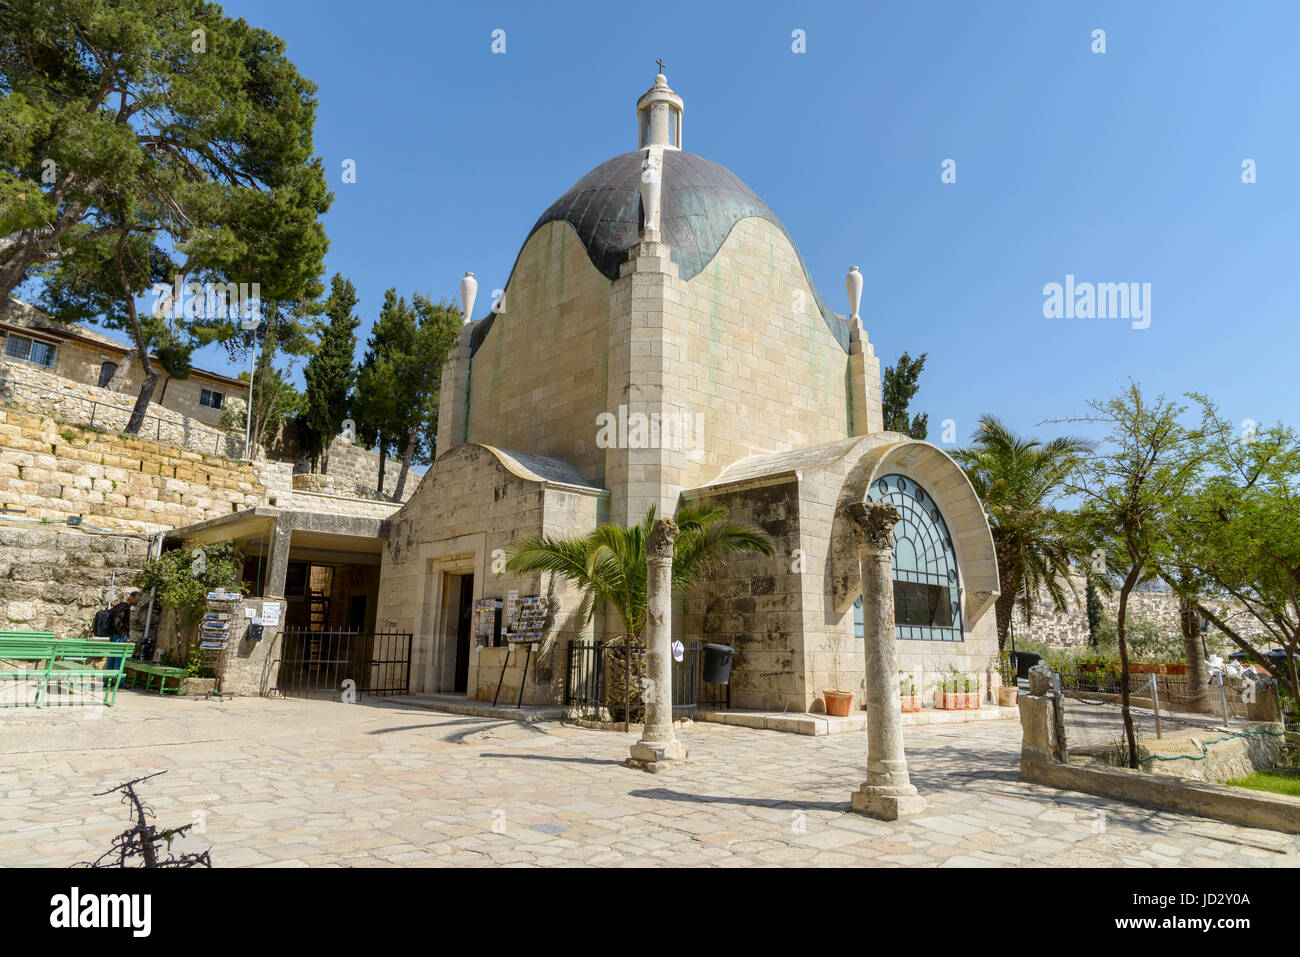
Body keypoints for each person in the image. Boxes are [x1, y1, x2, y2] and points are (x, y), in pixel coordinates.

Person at [106, 590, 140, 672]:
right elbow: (117, 621)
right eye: (136, 599)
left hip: (116, 635)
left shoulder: (121, 607)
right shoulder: (124, 607)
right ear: (131, 597)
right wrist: (123, 633)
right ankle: (118, 681)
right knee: (119, 658)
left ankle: (109, 680)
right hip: (119, 636)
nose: (137, 602)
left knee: (113, 657)